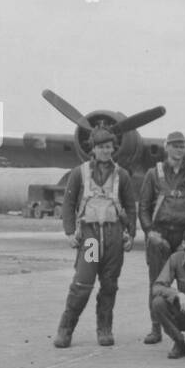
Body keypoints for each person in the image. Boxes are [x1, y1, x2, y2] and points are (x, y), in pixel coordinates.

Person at [53, 127, 137, 348]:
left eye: (109, 147)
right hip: (90, 237)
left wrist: (131, 234)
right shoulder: (79, 173)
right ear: (94, 149)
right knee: (83, 283)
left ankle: (104, 328)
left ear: (113, 148)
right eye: (101, 147)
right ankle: (66, 328)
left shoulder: (122, 175)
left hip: (113, 235)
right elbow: (69, 204)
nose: (106, 151)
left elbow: (130, 206)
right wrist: (70, 232)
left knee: (109, 285)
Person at [138, 131, 185, 344]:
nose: (179, 150)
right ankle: (156, 327)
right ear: (166, 147)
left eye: (181, 146)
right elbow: (144, 206)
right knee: (158, 282)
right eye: (175, 145)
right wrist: (150, 232)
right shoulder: (153, 174)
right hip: (160, 234)